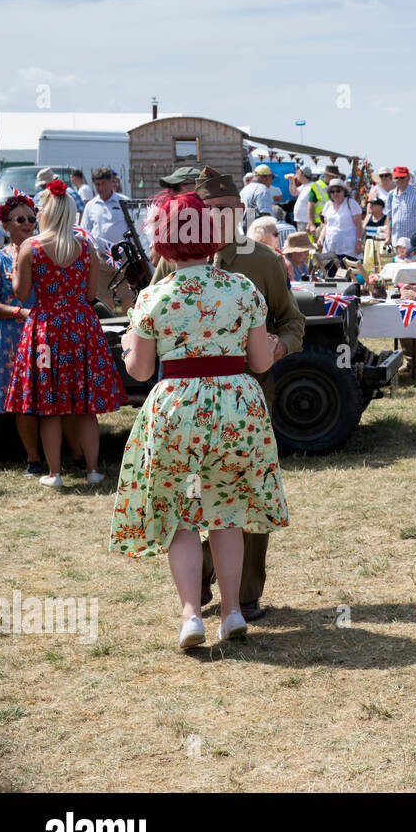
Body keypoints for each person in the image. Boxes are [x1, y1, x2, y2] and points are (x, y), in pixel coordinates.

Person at [110, 192, 287, 649]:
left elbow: (141, 372)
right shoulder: (242, 290)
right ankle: (231, 612)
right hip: (236, 406)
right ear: (212, 238)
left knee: (182, 518)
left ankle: (192, 615)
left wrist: (130, 347)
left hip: (177, 410)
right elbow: (262, 363)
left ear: (164, 242)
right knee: (227, 515)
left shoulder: (154, 296)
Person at [150, 167, 303, 622]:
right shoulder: (170, 260)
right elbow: (152, 315)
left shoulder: (262, 261)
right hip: (188, 402)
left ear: (240, 211)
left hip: (249, 394)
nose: (216, 219)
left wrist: (280, 345)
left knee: (245, 496)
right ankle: (196, 591)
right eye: (208, 210)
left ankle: (246, 593)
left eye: (226, 210)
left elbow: (292, 320)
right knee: (189, 494)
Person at [4, 180, 127, 487]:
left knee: (50, 406)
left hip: (46, 327)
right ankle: (94, 470)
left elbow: (21, 294)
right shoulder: (85, 248)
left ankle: (54, 473)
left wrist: (19, 269)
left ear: (44, 213)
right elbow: (88, 294)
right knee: (85, 405)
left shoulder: (31, 248)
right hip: (80, 326)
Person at [0, 193, 44, 475]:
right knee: (23, 401)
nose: (28, 223)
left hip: (42, 333)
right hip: (12, 336)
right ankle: (33, 458)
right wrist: (18, 312)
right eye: (21, 219)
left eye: (32, 218)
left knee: (47, 394)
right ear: (6, 225)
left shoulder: (42, 253)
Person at [79, 168, 130, 249]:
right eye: (97, 184)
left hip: (123, 254)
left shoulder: (124, 202)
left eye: (104, 183)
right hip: (99, 255)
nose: (101, 188)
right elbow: (85, 231)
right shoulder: (90, 206)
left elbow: (134, 228)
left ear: (111, 183)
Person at [386, 166, 416, 245]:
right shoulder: (391, 195)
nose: (399, 180)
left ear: (408, 178)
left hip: (414, 243)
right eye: (397, 177)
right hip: (397, 243)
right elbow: (389, 218)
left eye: (402, 177)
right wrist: (388, 236)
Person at [317, 180, 364, 262]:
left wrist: (359, 242)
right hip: (330, 246)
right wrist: (321, 237)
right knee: (330, 272)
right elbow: (326, 225)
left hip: (348, 248)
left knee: (346, 272)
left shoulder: (351, 203)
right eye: (332, 191)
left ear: (344, 192)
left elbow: (359, 225)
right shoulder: (328, 205)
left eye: (338, 191)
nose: (335, 193)